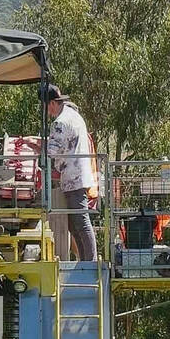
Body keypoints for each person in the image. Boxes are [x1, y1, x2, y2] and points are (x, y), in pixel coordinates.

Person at [42, 83, 98, 261]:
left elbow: (52, 152)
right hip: (78, 175)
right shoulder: (74, 116)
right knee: (75, 225)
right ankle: (85, 259)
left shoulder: (60, 122)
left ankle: (90, 261)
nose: (47, 112)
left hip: (73, 178)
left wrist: (38, 148)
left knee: (80, 221)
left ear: (51, 104)